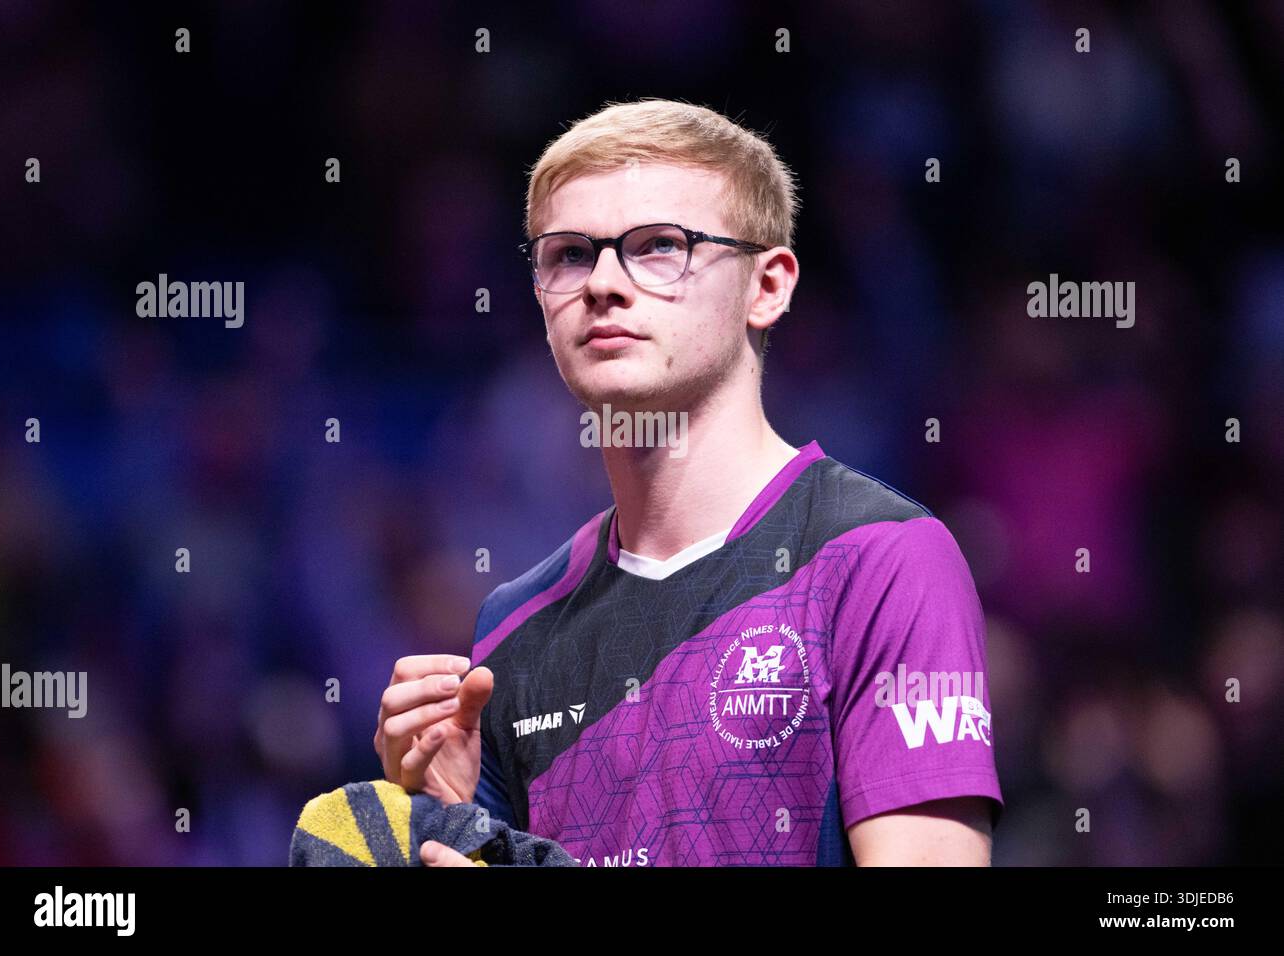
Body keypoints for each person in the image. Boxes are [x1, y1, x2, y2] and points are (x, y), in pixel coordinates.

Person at [375, 98, 1002, 867]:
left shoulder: (883, 561)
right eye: (569, 254)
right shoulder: (513, 628)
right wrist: (445, 817)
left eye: (658, 246)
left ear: (766, 287)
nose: (602, 282)